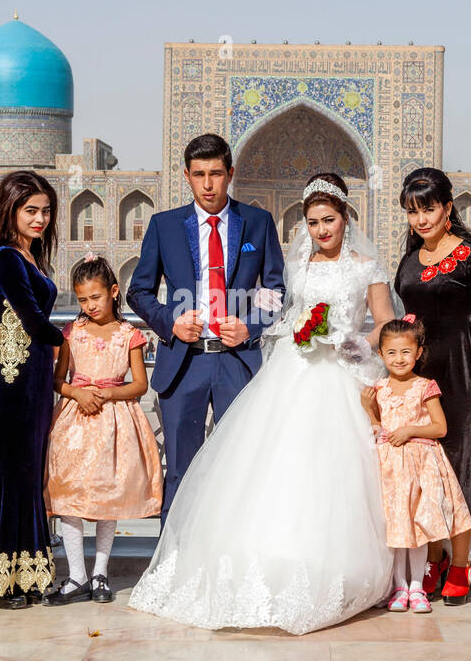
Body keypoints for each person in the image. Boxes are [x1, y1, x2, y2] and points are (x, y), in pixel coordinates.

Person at [129, 173, 397, 634]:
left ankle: (334, 563)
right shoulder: (299, 268)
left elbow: (387, 325)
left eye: (328, 220)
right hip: (294, 370)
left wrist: (351, 340)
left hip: (342, 373)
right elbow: (278, 308)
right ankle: (267, 559)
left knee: (334, 471)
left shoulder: (366, 266)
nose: (321, 230)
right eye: (312, 222)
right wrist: (286, 328)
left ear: (346, 217)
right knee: (276, 464)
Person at [127, 133, 286, 526]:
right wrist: (170, 322)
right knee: (181, 468)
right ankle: (173, 564)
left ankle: (234, 561)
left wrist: (249, 326)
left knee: (241, 467)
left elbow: (277, 290)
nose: (209, 184)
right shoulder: (164, 226)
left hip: (237, 362)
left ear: (230, 173)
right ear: (187, 175)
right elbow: (138, 291)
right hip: (184, 363)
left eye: (216, 173)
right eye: (199, 174)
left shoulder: (257, 223)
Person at [394, 168, 471, 603]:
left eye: (429, 208)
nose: (422, 219)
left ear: (448, 207)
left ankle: (460, 565)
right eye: (413, 211)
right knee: (426, 474)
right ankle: (435, 559)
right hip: (423, 380)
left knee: (460, 475)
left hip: (464, 380)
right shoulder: (409, 260)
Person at [0, 170, 63, 608]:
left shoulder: (30, 255)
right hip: (12, 380)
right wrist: (76, 336)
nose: (40, 218)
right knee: (12, 476)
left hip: (35, 382)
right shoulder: (5, 257)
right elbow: (32, 319)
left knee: (30, 474)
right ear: (11, 210)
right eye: (31, 210)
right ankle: (1, 581)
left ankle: (26, 575)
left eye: (45, 211)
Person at [44, 254, 163, 605]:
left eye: (95, 297)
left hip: (115, 422)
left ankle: (99, 572)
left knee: (107, 496)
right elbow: (57, 379)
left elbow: (140, 384)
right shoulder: (72, 332)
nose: (89, 306)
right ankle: (76, 574)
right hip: (74, 423)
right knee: (70, 496)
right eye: (82, 299)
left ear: (113, 292)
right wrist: (77, 393)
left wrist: (108, 393)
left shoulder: (129, 335)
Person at [363, 316, 471, 614]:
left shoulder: (425, 386)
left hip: (421, 464)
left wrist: (410, 430)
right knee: (396, 528)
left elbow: (440, 428)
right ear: (381, 354)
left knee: (417, 527)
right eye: (392, 353)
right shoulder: (379, 388)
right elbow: (376, 428)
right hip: (390, 469)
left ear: (418, 353)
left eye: (406, 352)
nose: (399, 359)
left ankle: (417, 587)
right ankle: (399, 586)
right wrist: (368, 411)